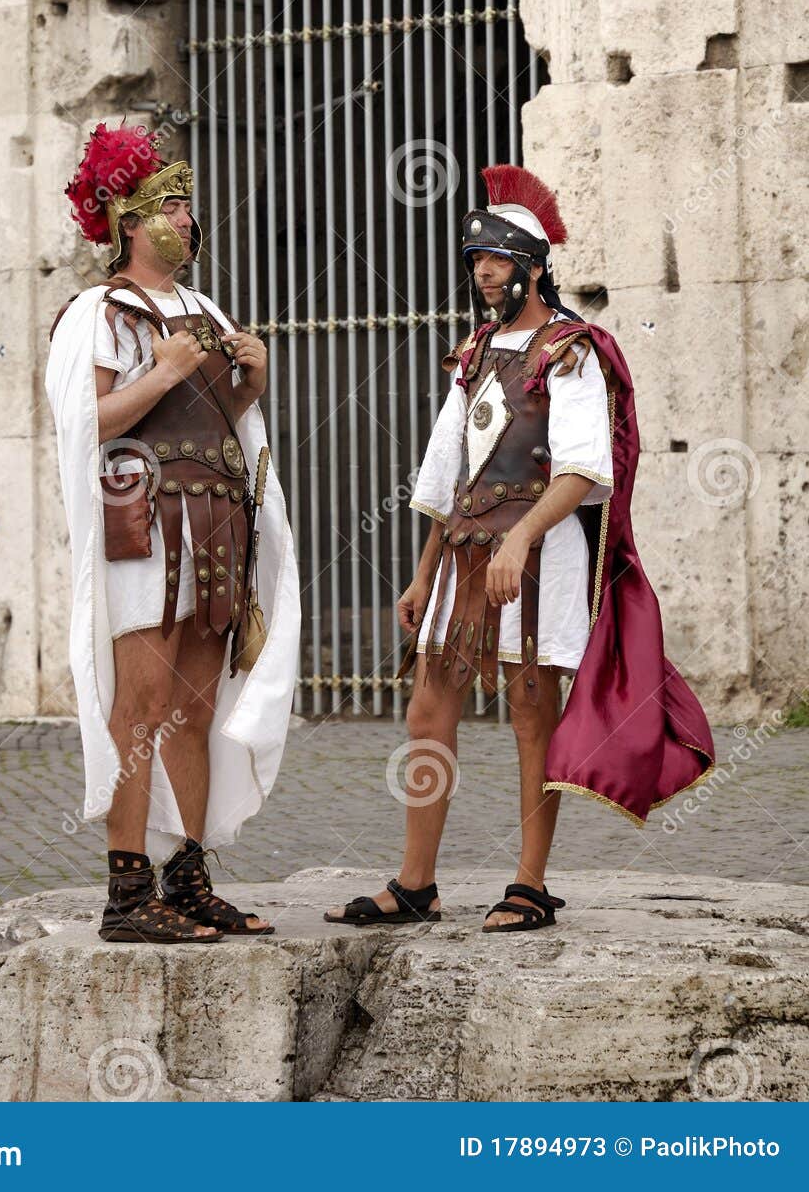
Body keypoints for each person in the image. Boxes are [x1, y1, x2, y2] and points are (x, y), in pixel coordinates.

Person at [326, 164, 715, 934]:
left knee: (530, 712)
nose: (482, 272)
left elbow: (581, 469)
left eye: (496, 259)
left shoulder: (569, 351)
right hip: (465, 550)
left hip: (536, 556)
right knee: (427, 706)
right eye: (475, 261)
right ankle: (415, 884)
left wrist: (523, 540)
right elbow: (446, 473)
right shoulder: (472, 353)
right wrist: (421, 570)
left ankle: (529, 884)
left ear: (532, 265)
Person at [44, 122, 301, 944]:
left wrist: (252, 380)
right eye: (171, 208)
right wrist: (160, 372)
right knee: (141, 707)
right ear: (127, 218)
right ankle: (127, 893)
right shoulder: (98, 311)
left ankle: (187, 876)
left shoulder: (202, 308)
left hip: (217, 521)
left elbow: (226, 420)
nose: (187, 222)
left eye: (189, 209)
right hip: (146, 527)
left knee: (195, 706)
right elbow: (87, 425)